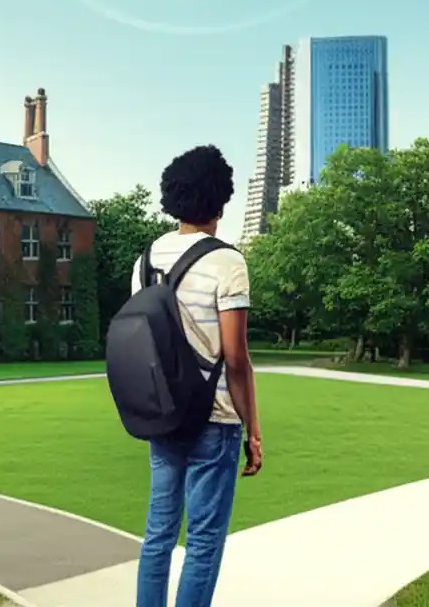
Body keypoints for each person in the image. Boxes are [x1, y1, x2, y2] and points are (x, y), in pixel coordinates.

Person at [132, 145, 263, 607]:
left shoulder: (145, 260)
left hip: (163, 415)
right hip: (215, 418)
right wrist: (254, 431)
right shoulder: (228, 263)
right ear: (222, 201)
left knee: (158, 535)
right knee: (204, 542)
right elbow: (236, 357)